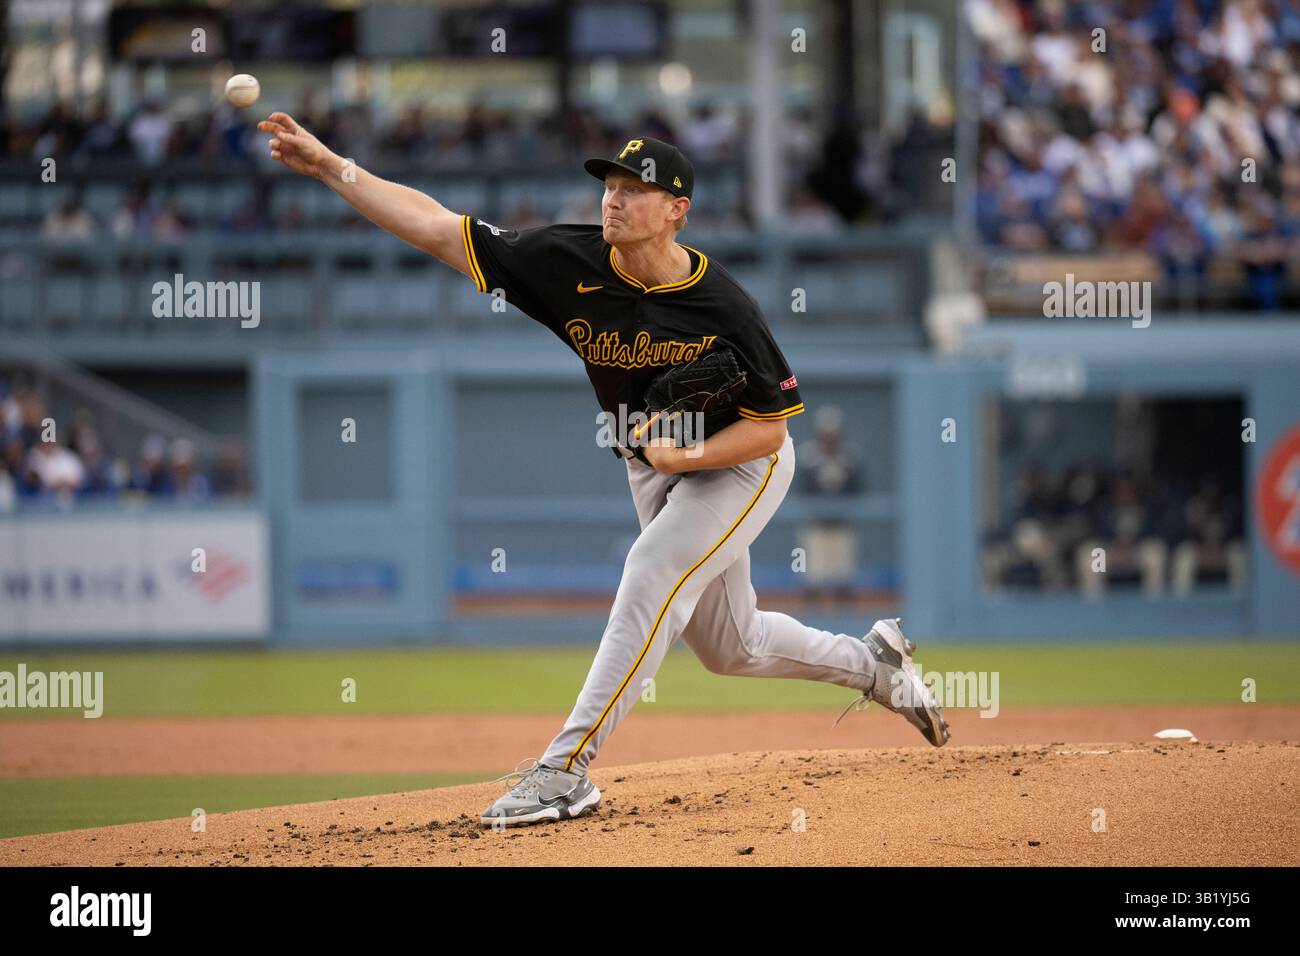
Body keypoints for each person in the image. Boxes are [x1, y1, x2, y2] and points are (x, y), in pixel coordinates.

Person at [258, 112, 949, 829]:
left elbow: (769, 430)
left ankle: (564, 770)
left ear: (678, 210)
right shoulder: (566, 261)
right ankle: (876, 666)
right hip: (651, 467)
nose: (612, 199)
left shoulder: (726, 308)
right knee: (729, 646)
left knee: (650, 568)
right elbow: (437, 228)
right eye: (609, 185)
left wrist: (690, 455)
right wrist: (333, 166)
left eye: (634, 189)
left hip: (738, 464)